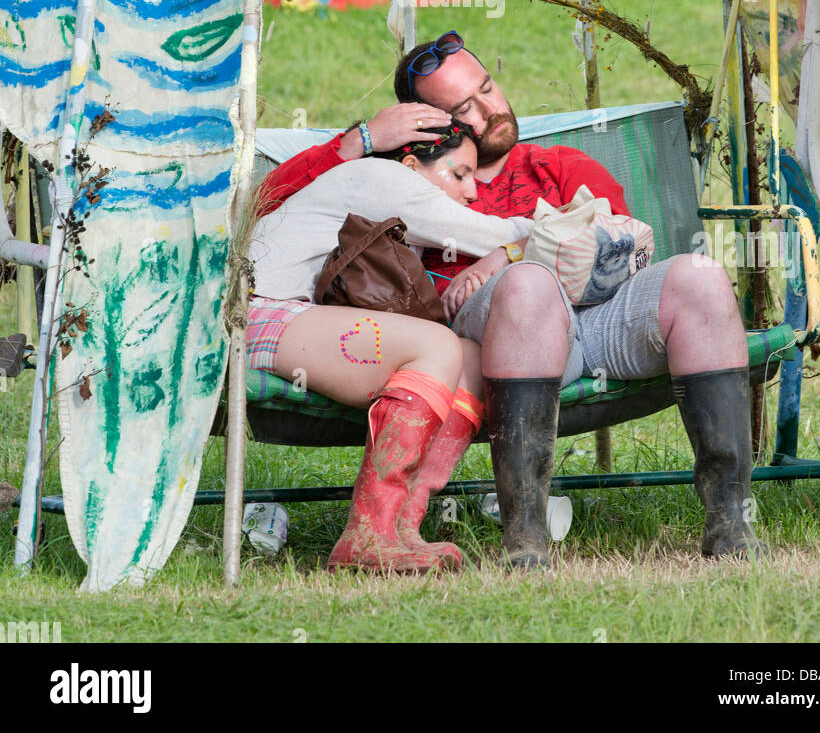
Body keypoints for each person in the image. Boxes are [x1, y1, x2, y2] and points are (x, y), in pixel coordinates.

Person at [259, 33, 766, 569]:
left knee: (701, 276)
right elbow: (271, 203)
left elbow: (619, 240)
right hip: (499, 338)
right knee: (529, 285)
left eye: (487, 88)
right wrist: (359, 138)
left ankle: (729, 522)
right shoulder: (417, 183)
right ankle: (525, 538)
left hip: (600, 325)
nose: (491, 110)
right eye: (464, 108)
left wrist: (502, 254)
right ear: (432, 123)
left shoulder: (555, 165)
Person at [249, 119, 531, 573]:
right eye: (459, 173)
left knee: (468, 359)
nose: (472, 190)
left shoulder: (396, 207)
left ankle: (401, 526)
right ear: (411, 163)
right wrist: (583, 224)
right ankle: (367, 535)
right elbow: (493, 232)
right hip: (254, 313)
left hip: (297, 322)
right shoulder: (383, 179)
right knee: (437, 345)